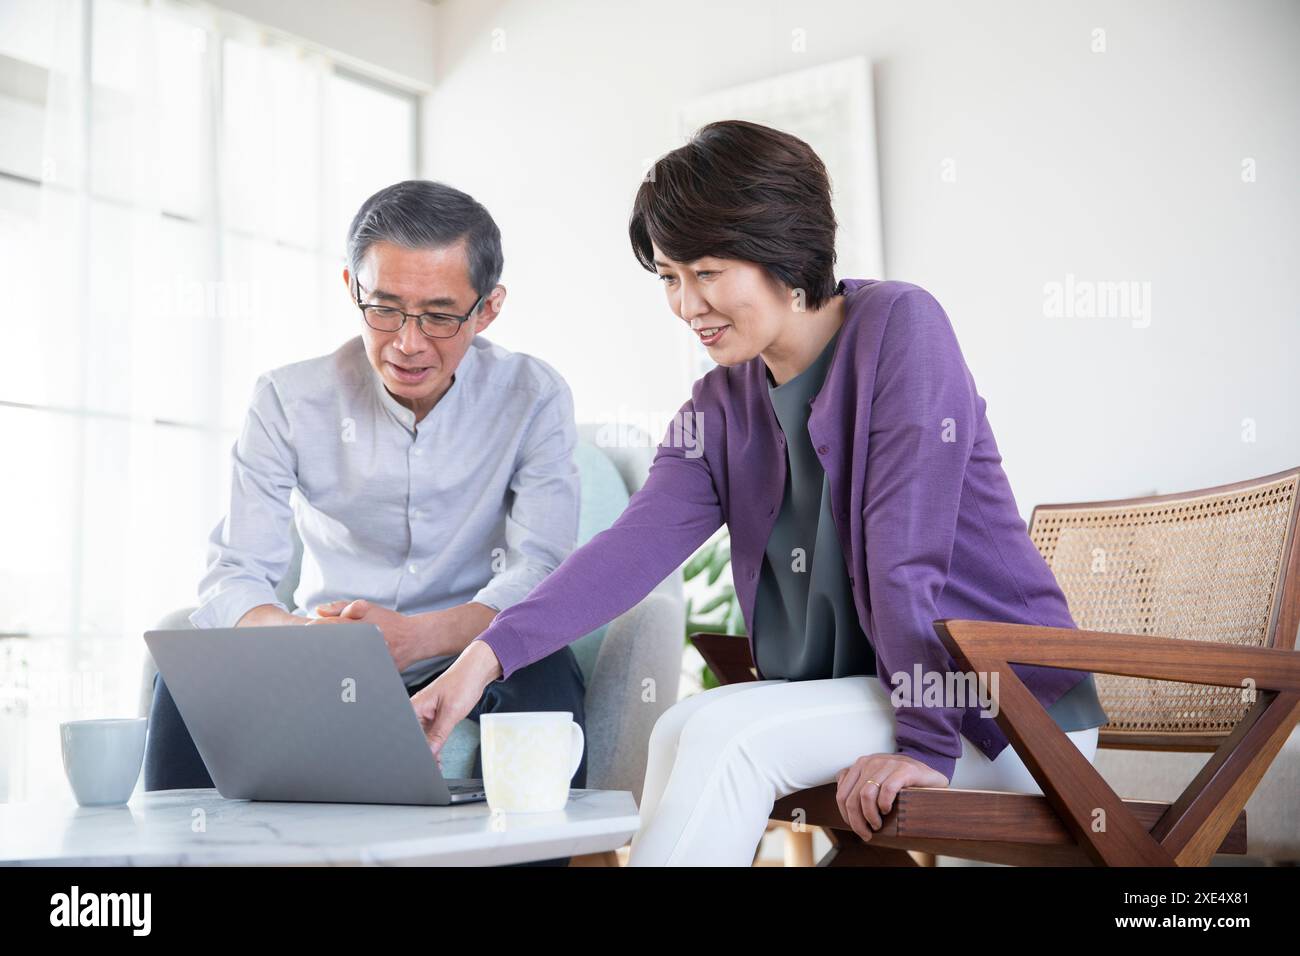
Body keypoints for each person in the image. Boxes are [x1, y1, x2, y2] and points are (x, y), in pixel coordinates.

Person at [408, 121, 1109, 866]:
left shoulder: (902, 328)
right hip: (873, 700)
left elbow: (906, 556)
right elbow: (626, 552)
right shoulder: (719, 405)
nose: (686, 304)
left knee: (726, 735)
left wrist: (928, 747)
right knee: (681, 726)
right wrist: (481, 660)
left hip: (998, 713)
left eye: (707, 272)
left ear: (784, 249)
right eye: (670, 278)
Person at [144, 182, 590, 836]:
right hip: (322, 650)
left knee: (546, 676)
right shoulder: (288, 399)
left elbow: (541, 569)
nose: (408, 344)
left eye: (439, 316)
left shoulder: (533, 395)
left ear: (488, 309)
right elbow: (233, 574)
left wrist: (423, 637)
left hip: (470, 645)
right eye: (384, 308)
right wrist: (314, 643)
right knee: (188, 675)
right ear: (352, 286)